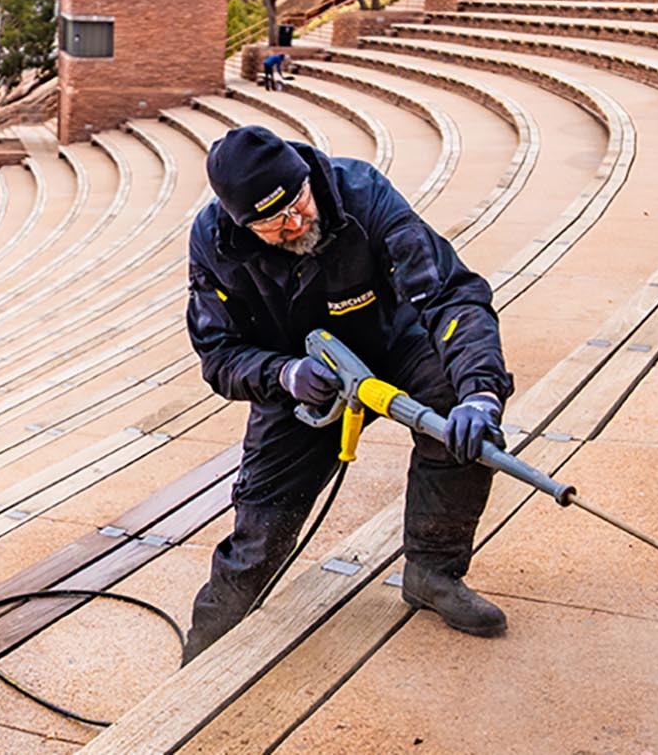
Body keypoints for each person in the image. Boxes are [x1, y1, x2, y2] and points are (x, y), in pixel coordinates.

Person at [183, 125, 514, 663]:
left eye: (297, 204)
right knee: (262, 531)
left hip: (390, 341)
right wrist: (285, 375)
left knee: (457, 411)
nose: (294, 225)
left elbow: (452, 295)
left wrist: (480, 392)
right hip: (302, 379)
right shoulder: (215, 244)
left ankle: (432, 570)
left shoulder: (362, 194)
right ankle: (205, 648)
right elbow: (218, 354)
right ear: (241, 223)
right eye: (272, 223)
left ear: (307, 179)